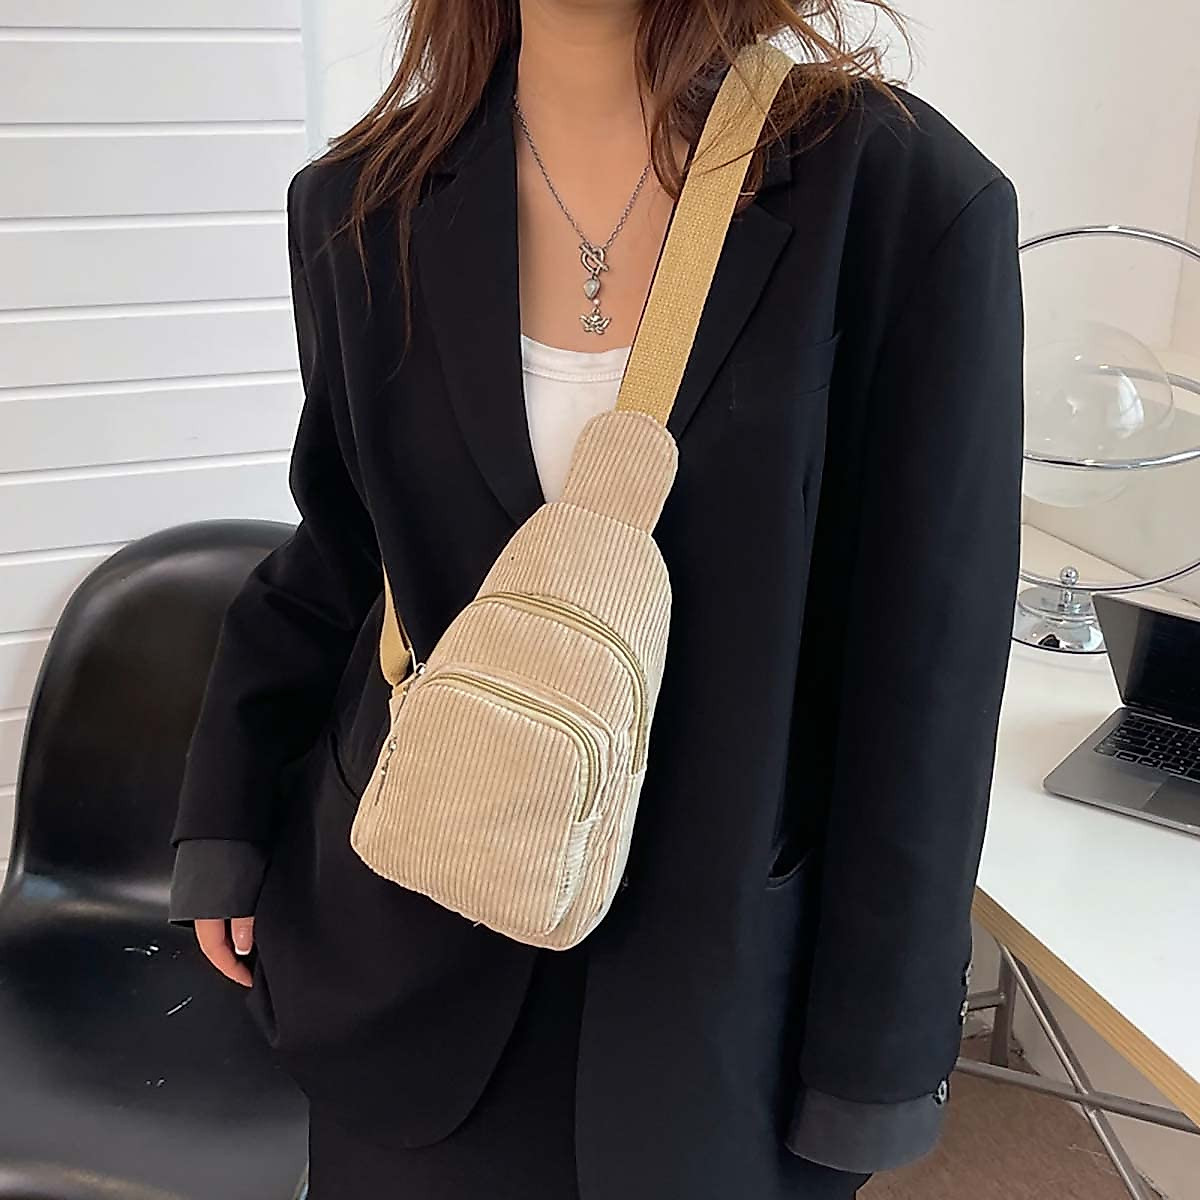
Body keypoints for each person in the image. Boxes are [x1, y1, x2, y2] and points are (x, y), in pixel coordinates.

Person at [168, 1, 1023, 1196]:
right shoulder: (361, 206)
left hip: (716, 1008)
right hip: (413, 948)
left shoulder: (900, 200)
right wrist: (226, 819)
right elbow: (343, 550)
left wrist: (875, 1060)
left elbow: (928, 676)